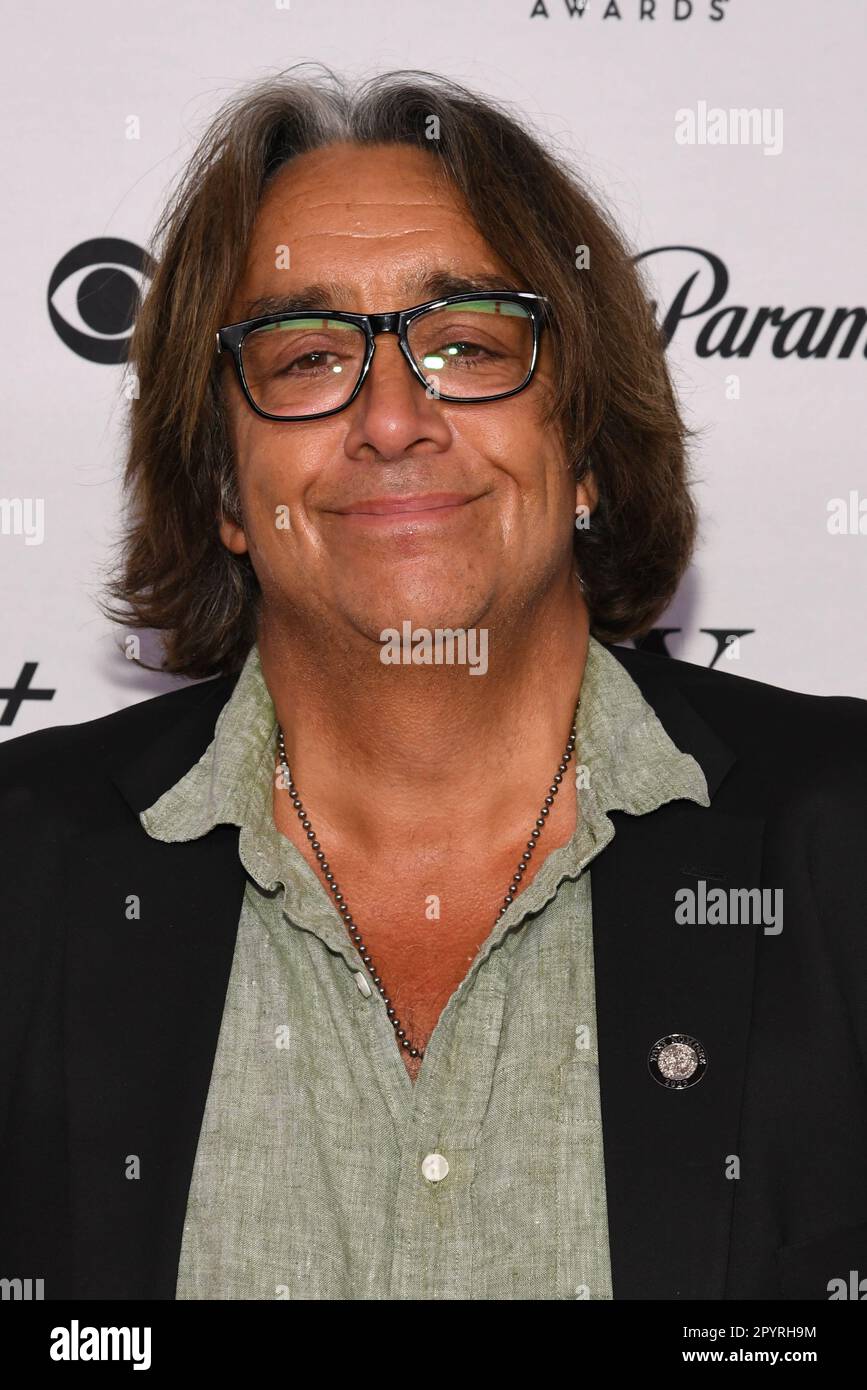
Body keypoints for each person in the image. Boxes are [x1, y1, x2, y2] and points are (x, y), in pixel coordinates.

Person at [1, 64, 866, 1302]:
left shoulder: (844, 848)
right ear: (223, 490)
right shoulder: (22, 878)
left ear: (586, 451)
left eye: (465, 342)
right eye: (305, 357)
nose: (393, 418)